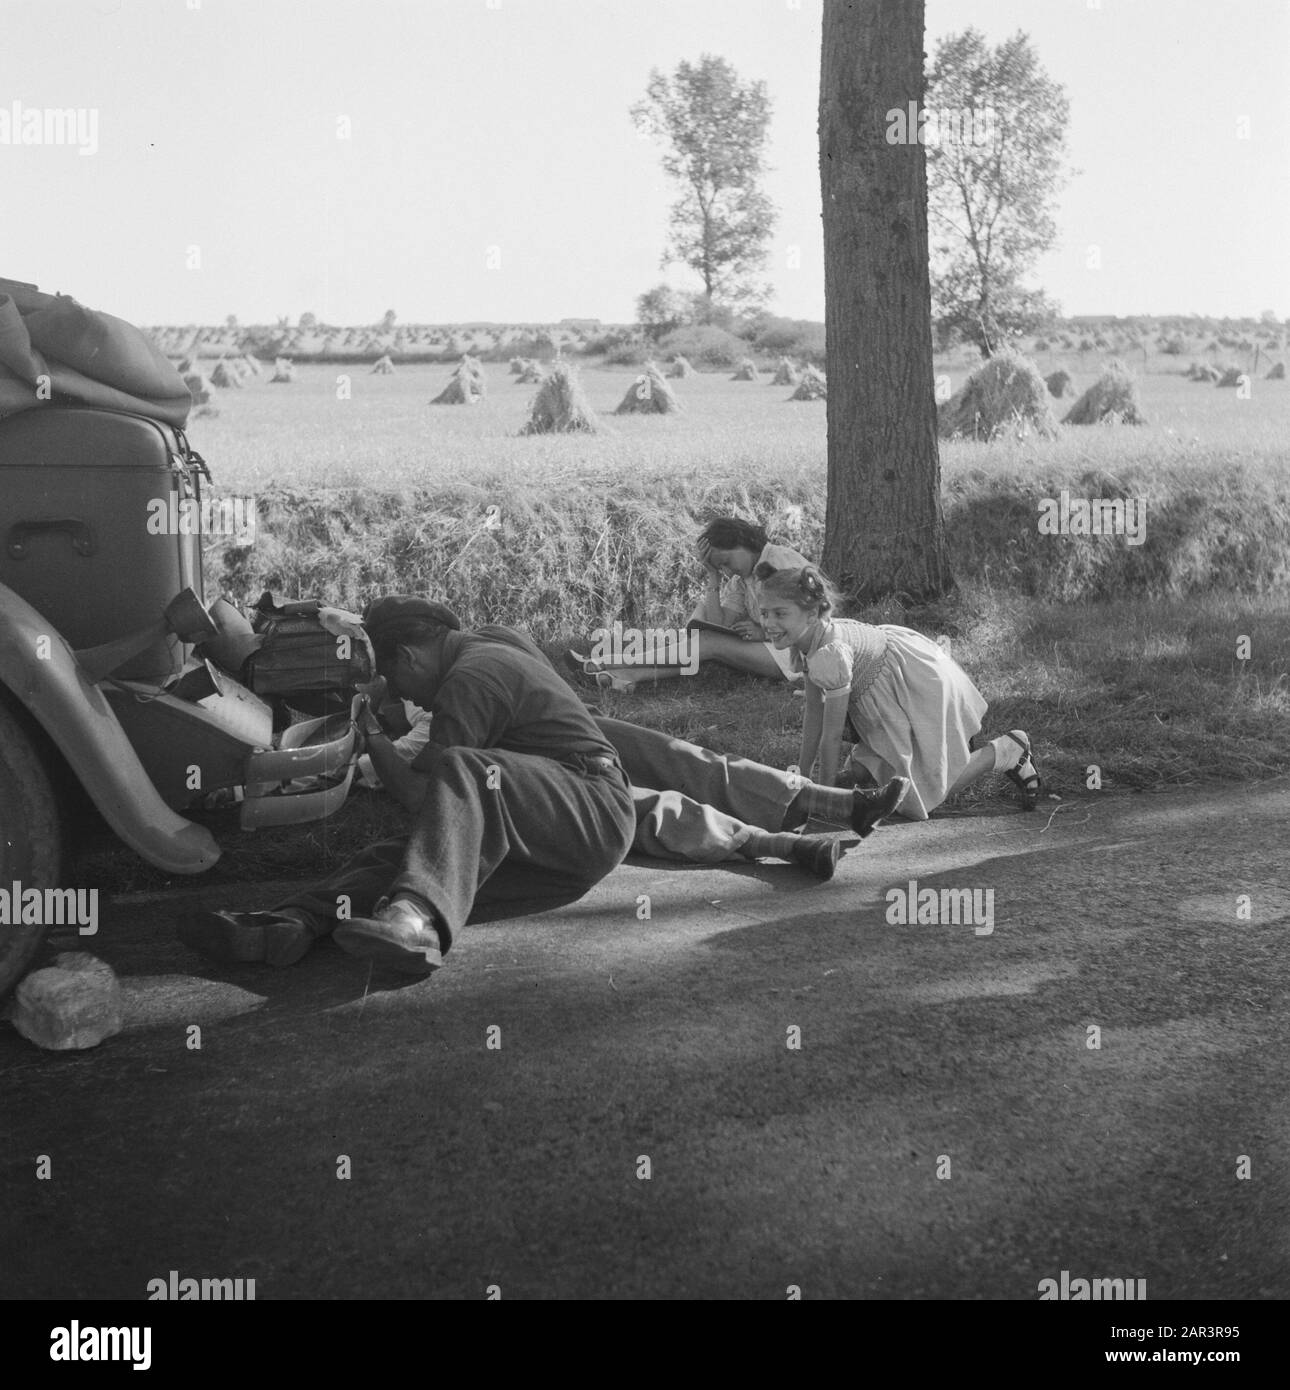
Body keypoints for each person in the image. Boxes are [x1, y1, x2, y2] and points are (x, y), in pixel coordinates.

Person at [180, 597, 638, 977]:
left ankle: (416, 921)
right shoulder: (494, 639)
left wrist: (372, 731)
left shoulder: (471, 679)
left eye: (395, 680)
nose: (406, 698)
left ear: (408, 655)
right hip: (557, 837)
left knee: (465, 771)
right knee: (407, 858)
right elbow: (443, 810)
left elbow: (423, 796)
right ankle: (294, 920)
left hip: (591, 811)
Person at [359, 703, 909, 878]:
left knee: (679, 757)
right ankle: (785, 846)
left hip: (565, 735)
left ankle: (838, 804)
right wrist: (372, 733)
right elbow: (412, 791)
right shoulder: (399, 737)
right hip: (530, 776)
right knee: (644, 808)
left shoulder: (454, 680)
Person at [755, 564, 1042, 819]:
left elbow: (830, 736)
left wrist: (823, 798)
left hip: (916, 686)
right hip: (889, 690)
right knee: (862, 778)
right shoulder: (806, 640)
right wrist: (805, 776)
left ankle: (1006, 750)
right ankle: (862, 773)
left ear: (812, 614)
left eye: (780, 614)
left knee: (918, 797)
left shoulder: (830, 653)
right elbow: (814, 717)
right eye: (765, 613)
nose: (769, 623)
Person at [573, 515, 812, 690]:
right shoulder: (741, 579)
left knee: (708, 643)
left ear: (742, 542)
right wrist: (713, 576)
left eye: (726, 562)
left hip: (799, 655)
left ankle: (607, 661)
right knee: (704, 641)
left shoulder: (779, 560)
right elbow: (720, 622)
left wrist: (763, 632)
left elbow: (806, 618)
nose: (727, 570)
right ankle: (625, 676)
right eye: (721, 568)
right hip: (778, 650)